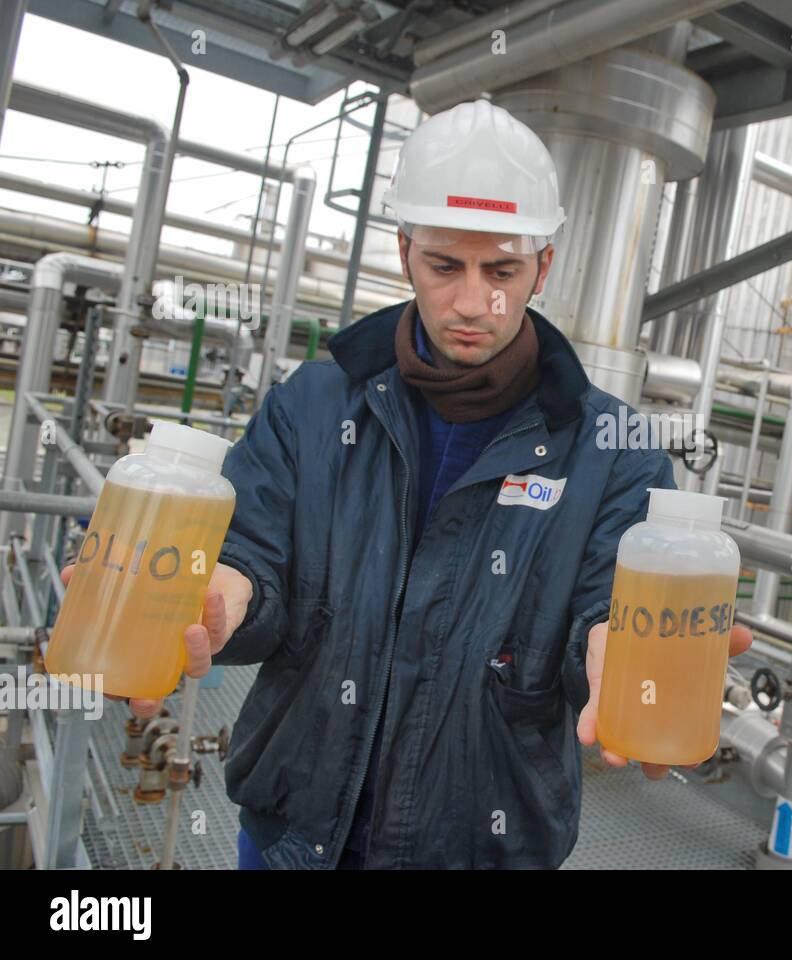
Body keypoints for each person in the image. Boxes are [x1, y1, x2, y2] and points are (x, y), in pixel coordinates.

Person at [77, 98, 751, 869]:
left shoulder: (614, 451)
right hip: (292, 835)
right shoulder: (315, 405)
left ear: (544, 265)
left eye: (501, 269)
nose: (472, 302)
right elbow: (250, 559)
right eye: (444, 266)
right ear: (404, 253)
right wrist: (220, 599)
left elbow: (602, 619)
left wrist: (617, 653)